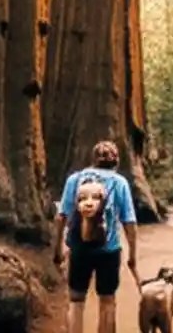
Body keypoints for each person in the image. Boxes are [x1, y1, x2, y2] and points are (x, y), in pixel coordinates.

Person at [52, 140, 139, 333]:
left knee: (76, 300)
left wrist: (58, 249)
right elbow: (129, 222)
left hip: (79, 249)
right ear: (116, 161)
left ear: (93, 159)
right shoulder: (119, 183)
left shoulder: (75, 180)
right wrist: (133, 255)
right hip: (109, 250)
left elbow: (61, 217)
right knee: (107, 301)